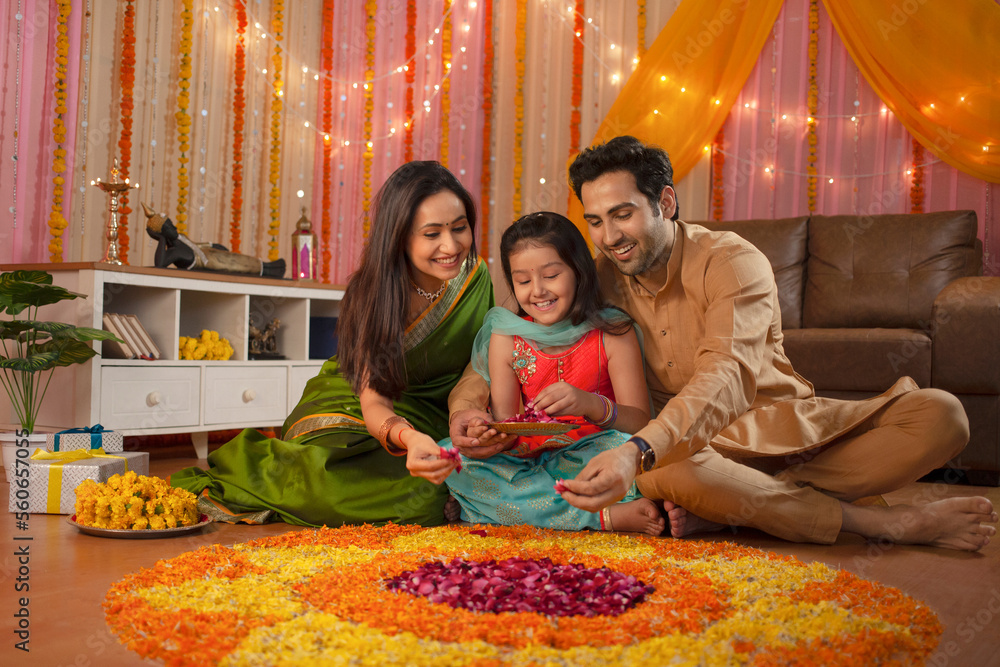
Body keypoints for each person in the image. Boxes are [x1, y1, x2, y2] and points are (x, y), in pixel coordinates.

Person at [449, 136, 997, 551]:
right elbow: (513, 331)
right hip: (686, 455)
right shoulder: (598, 278)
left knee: (942, 414)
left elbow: (728, 374)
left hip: (780, 430)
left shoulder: (732, 261)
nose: (609, 236)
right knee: (668, 472)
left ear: (664, 202)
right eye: (594, 221)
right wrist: (467, 411)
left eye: (622, 214)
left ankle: (737, 505)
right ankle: (874, 522)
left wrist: (634, 449)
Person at [171, 161, 493, 526]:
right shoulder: (374, 293)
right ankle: (262, 471)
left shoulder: (475, 278)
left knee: (430, 483)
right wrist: (409, 438)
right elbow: (374, 400)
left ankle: (441, 486)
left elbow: (481, 360)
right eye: (432, 234)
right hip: (355, 404)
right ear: (401, 236)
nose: (450, 245)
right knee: (377, 486)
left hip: (438, 415)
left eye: (460, 228)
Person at [442, 212, 664, 535]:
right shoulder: (506, 337)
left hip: (592, 452)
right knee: (450, 454)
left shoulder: (613, 332)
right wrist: (486, 432)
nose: (537, 291)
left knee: (627, 448)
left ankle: (496, 507)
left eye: (551, 275)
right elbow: (509, 427)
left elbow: (641, 424)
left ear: (578, 271)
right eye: (523, 281)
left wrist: (590, 404)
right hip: (530, 458)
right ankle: (604, 516)